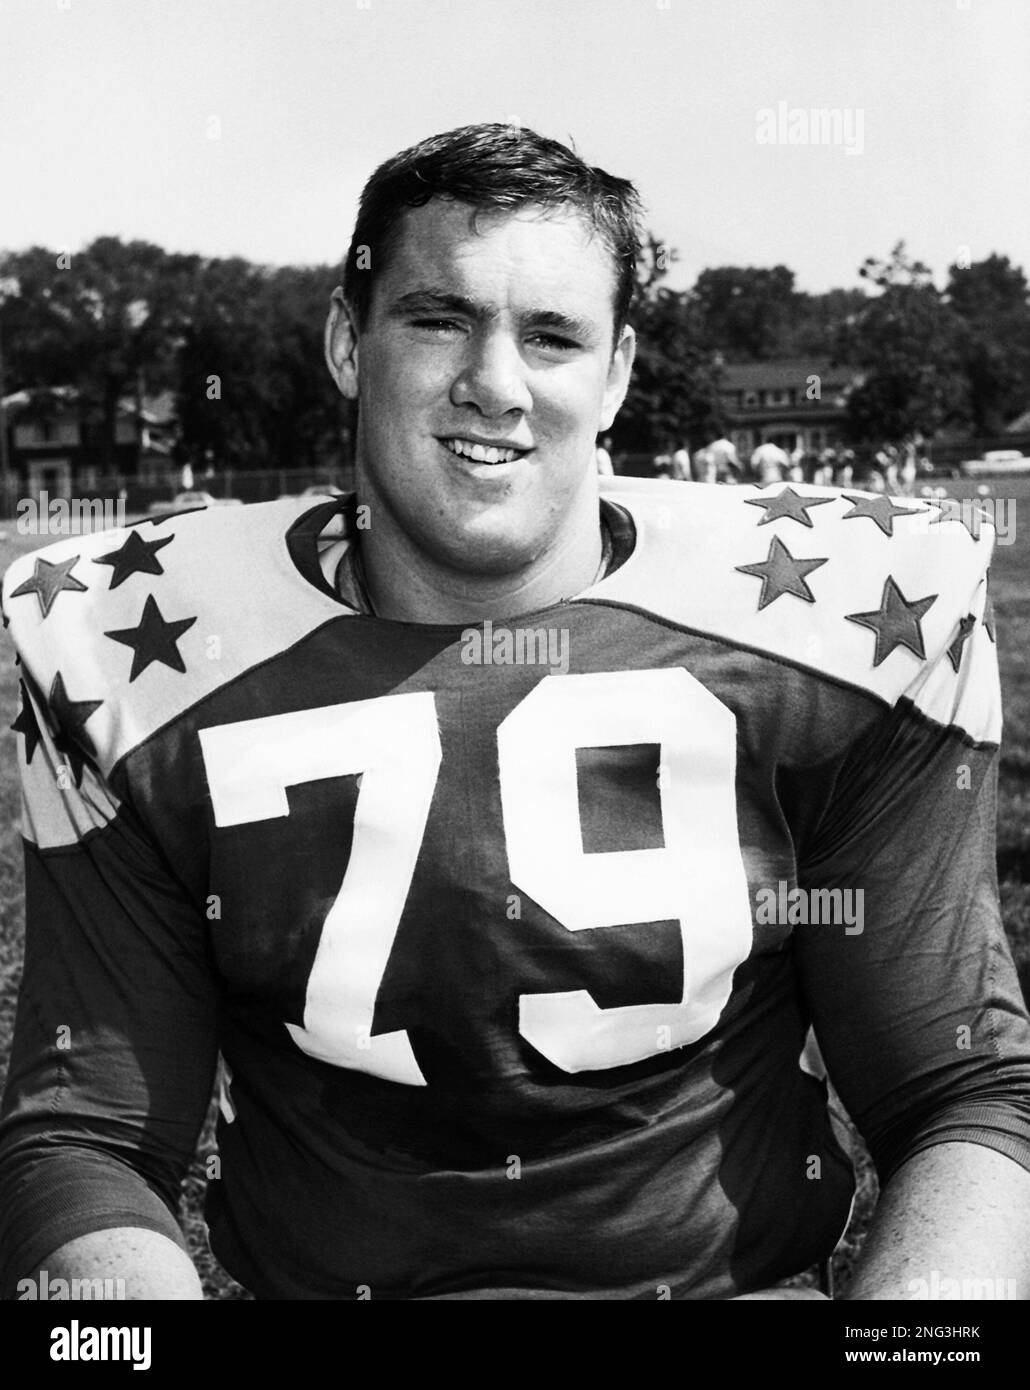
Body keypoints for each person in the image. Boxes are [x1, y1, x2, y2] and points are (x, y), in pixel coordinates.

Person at [2, 122, 1030, 1303]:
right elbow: (89, 1142)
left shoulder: (836, 633)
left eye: (551, 335)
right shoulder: (135, 653)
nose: (493, 383)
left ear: (619, 373)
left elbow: (959, 1093)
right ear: (349, 341)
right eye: (439, 317)